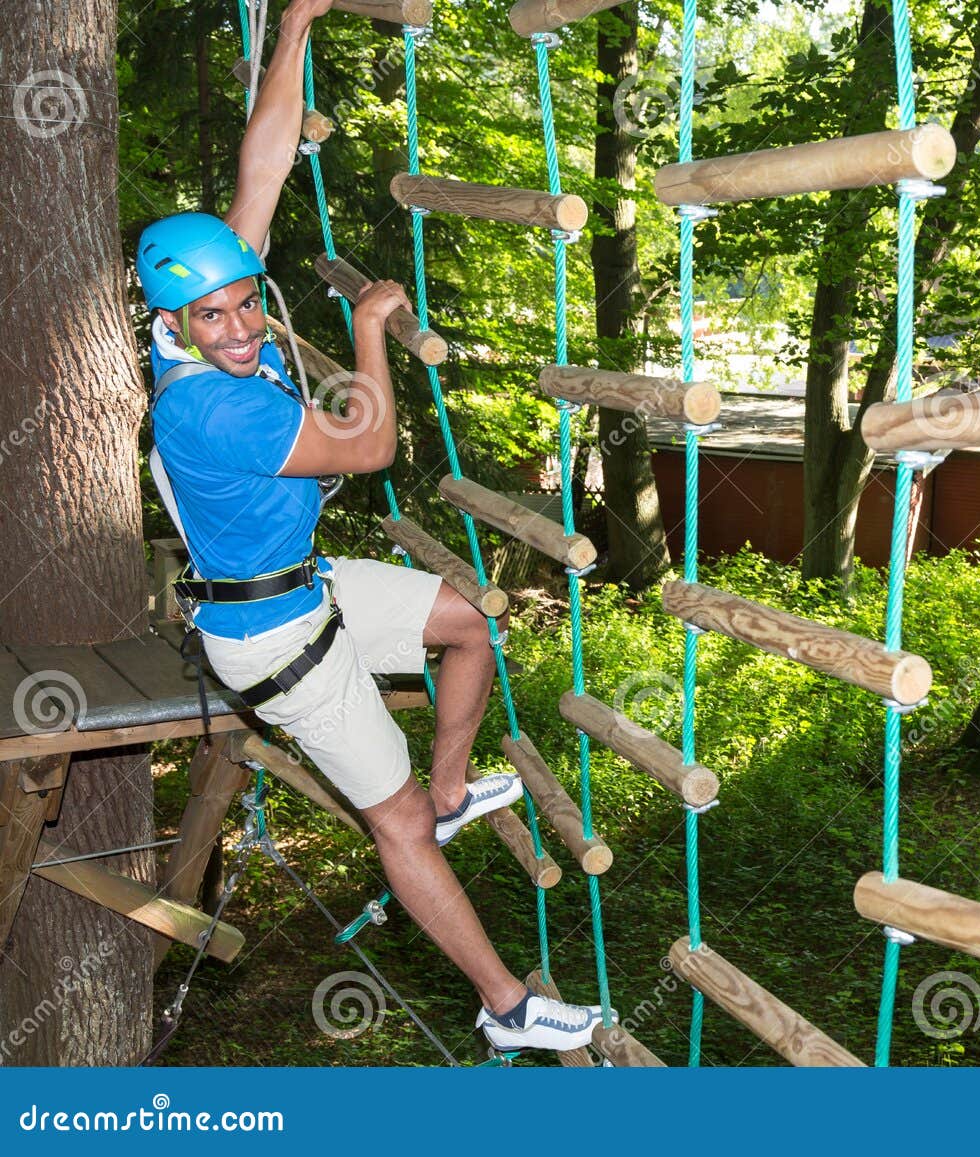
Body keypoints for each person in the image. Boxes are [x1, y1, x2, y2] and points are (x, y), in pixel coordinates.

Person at [135, 0, 601, 1053]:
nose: (245, 327)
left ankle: (445, 787)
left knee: (467, 622)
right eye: (217, 317)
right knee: (386, 824)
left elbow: (261, 172)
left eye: (249, 303)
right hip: (270, 638)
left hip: (306, 580)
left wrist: (295, 23)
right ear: (174, 324)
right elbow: (373, 444)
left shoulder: (193, 326)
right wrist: (368, 327)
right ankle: (505, 1004)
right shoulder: (214, 402)